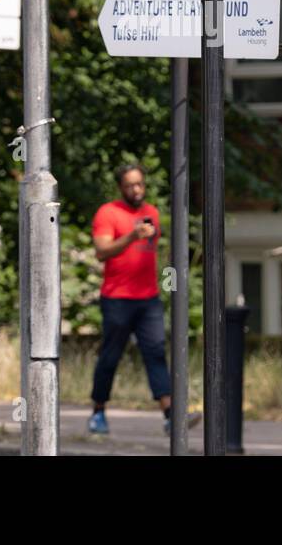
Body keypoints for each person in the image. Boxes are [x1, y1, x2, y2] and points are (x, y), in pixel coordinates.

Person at [88, 163, 185, 436]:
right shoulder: (108, 213)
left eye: (140, 184)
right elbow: (101, 252)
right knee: (110, 356)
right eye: (130, 185)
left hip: (148, 299)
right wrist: (131, 235)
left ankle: (170, 415)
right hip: (117, 298)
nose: (136, 189)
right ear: (121, 187)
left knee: (155, 353)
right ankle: (98, 412)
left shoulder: (151, 212)